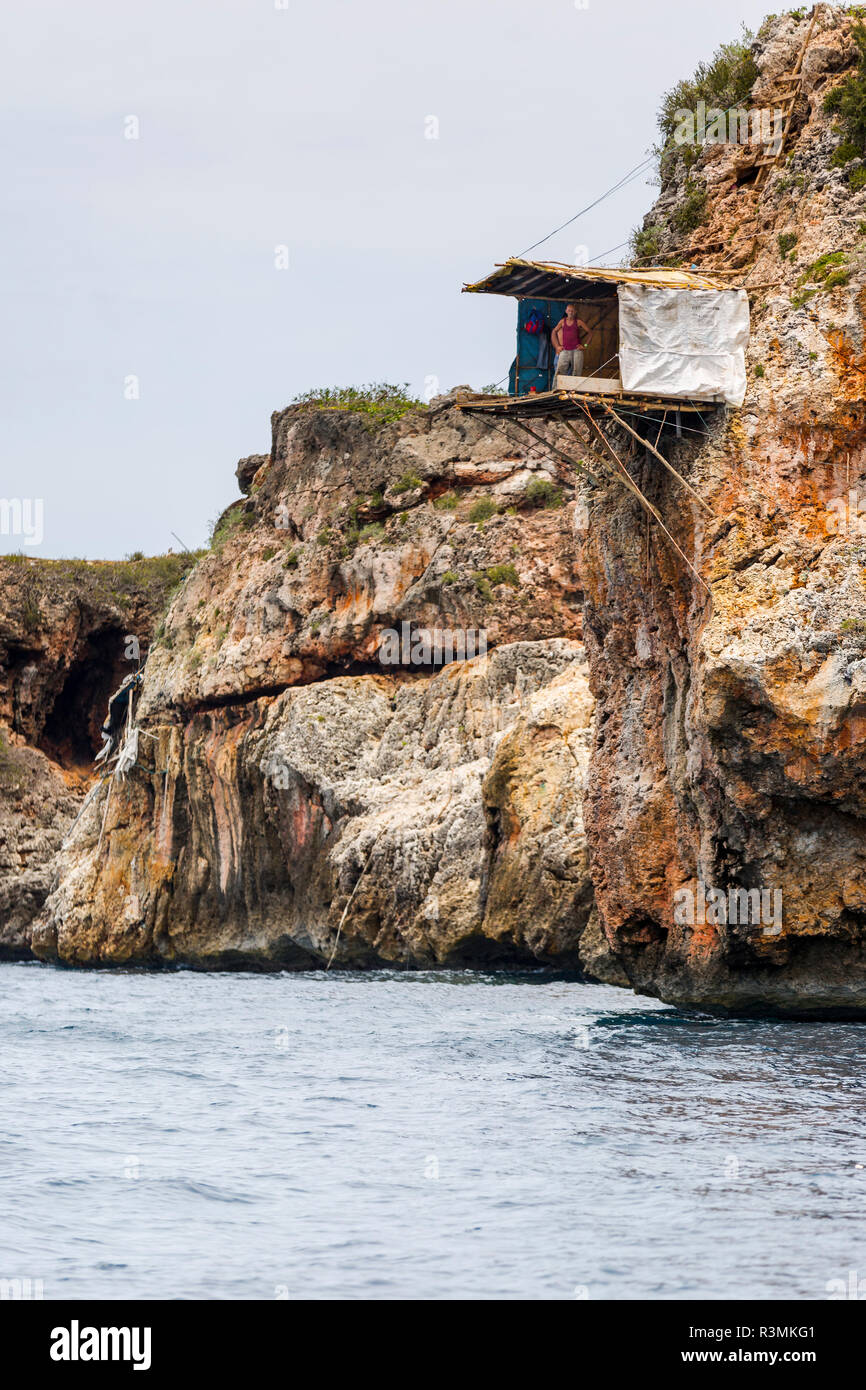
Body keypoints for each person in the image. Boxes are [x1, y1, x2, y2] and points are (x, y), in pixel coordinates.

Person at [552, 303, 592, 379]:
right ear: (566, 311)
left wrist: (585, 346)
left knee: (576, 372)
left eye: (572, 311)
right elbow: (554, 331)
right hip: (565, 350)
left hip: (576, 350)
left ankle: (573, 390)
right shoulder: (562, 322)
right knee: (559, 372)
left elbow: (590, 333)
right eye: (569, 311)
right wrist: (557, 346)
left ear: (575, 312)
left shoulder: (579, 322)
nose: (570, 312)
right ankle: (556, 389)